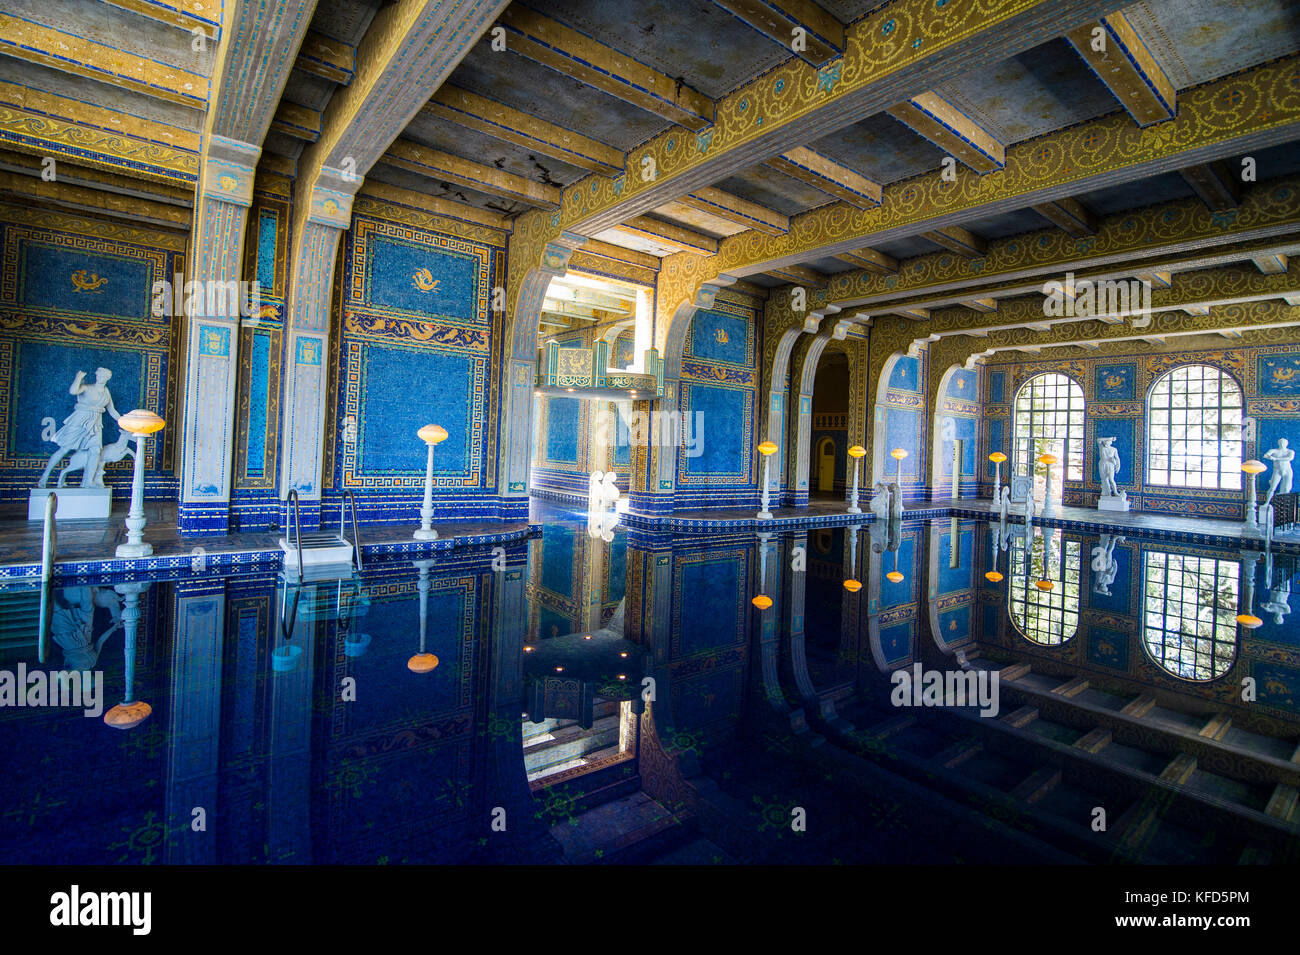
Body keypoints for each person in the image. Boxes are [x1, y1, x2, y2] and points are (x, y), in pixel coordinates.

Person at [37, 368, 121, 489]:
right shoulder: (87, 387)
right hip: (80, 420)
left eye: (104, 376)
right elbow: (73, 391)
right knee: (64, 449)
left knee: (95, 451)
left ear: (108, 378)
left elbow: (112, 410)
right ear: (97, 375)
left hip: (96, 423)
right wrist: (78, 378)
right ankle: (44, 477)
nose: (101, 377)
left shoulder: (106, 391)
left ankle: (88, 482)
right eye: (100, 375)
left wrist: (123, 421)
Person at [1263, 438, 1294, 505]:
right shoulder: (1274, 451)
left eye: (1284, 443)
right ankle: (1267, 502)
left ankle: (1285, 504)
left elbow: (1290, 458)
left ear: (1287, 444)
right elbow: (1265, 455)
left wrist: (1276, 458)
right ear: (1279, 443)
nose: (1282, 444)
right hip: (1277, 470)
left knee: (1287, 488)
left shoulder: (1290, 451)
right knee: (1272, 487)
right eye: (1281, 443)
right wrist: (1269, 457)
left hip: (1287, 470)